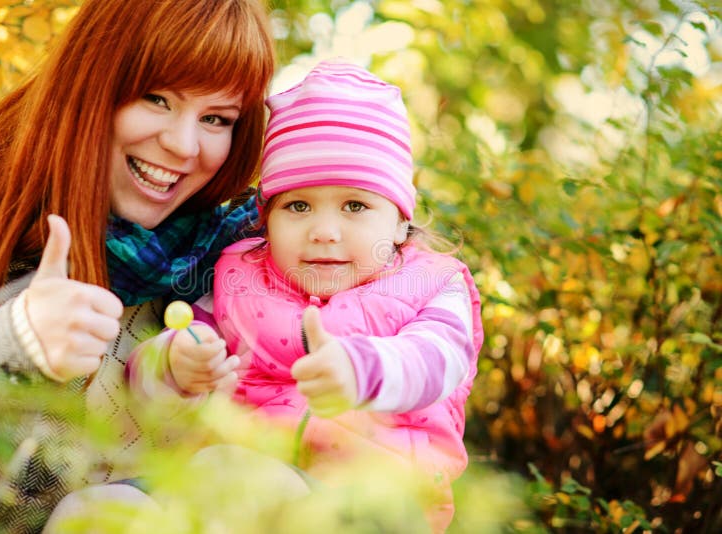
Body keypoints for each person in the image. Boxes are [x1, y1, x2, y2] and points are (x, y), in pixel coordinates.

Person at [0, 0, 274, 531]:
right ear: (93, 84)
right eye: (157, 99)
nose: (182, 144)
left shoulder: (220, 272)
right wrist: (9, 355)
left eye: (216, 118)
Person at [126, 60, 484, 532]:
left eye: (355, 205)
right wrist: (175, 364)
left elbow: (440, 359)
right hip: (231, 479)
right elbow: (180, 352)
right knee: (118, 502)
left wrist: (362, 370)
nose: (325, 232)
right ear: (267, 218)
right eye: (297, 206)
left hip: (372, 497)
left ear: (400, 220)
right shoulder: (239, 277)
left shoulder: (432, 283)